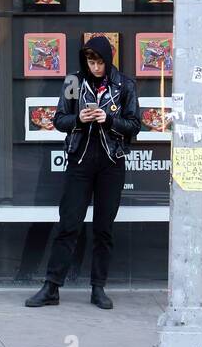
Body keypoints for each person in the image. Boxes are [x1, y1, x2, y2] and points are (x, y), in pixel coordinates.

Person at [26, 34, 141, 311]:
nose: (95, 67)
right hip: (80, 160)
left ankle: (98, 288)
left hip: (111, 163)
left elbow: (135, 125)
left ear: (108, 60)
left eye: (100, 61)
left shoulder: (124, 84)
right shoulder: (74, 83)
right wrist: (80, 118)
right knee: (68, 224)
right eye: (91, 61)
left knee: (104, 228)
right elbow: (59, 120)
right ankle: (51, 287)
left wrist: (109, 119)